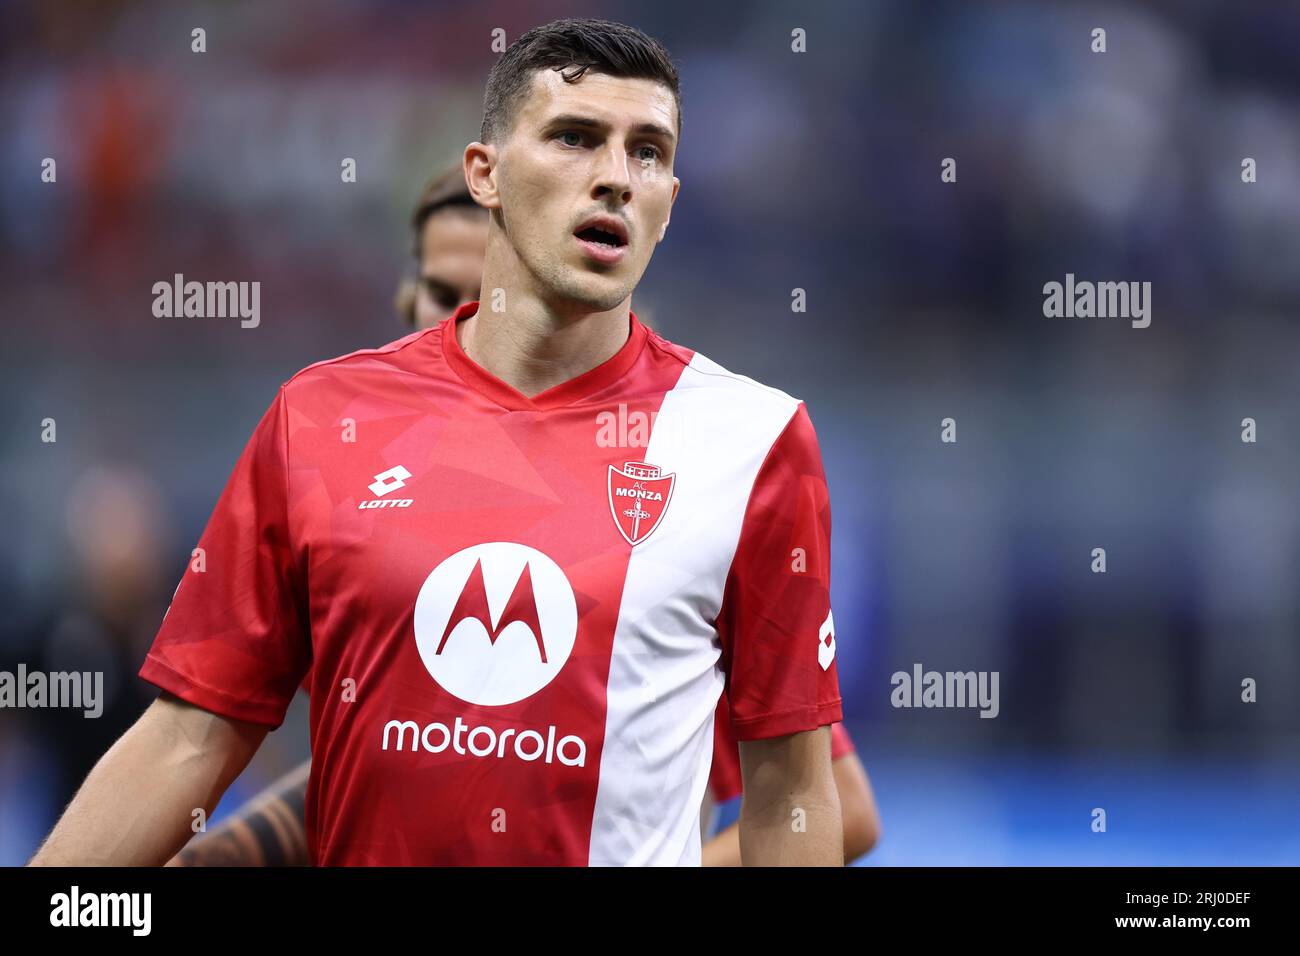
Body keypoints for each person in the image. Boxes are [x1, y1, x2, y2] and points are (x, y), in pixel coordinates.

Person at [31, 17, 845, 867]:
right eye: (574, 137)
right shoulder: (320, 416)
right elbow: (188, 739)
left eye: (648, 152)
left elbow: (796, 791)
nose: (614, 177)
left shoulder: (754, 442)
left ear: (670, 204)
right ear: (484, 176)